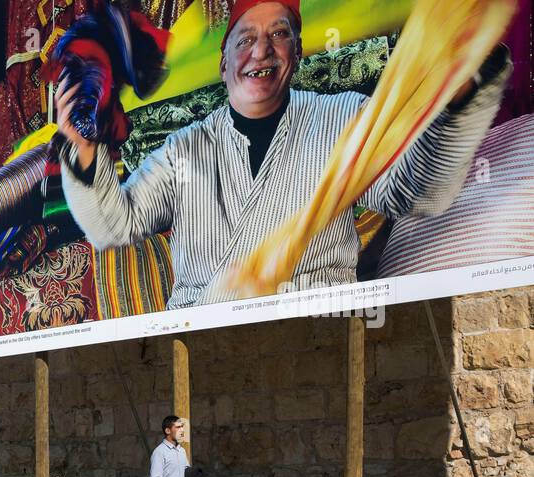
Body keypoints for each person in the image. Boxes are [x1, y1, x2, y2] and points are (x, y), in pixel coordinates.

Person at [55, 0, 512, 308]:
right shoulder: (185, 150)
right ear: (223, 60)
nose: (261, 50)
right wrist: (85, 150)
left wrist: (457, 93)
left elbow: (420, 194)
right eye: (245, 38)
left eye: (279, 34)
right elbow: (115, 225)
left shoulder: (343, 120)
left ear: (295, 52)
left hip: (317, 331)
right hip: (202, 340)